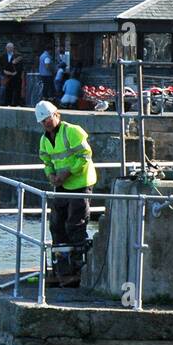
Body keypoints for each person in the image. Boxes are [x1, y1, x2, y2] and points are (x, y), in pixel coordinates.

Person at [35, 101, 96, 285]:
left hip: (80, 184)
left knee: (75, 226)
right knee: (56, 226)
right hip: (61, 185)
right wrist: (51, 176)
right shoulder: (45, 139)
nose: (46, 122)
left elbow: (85, 156)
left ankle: (79, 271)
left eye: (48, 118)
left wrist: (68, 173)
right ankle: (62, 271)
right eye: (43, 121)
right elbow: (46, 161)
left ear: (57, 115)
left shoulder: (72, 131)